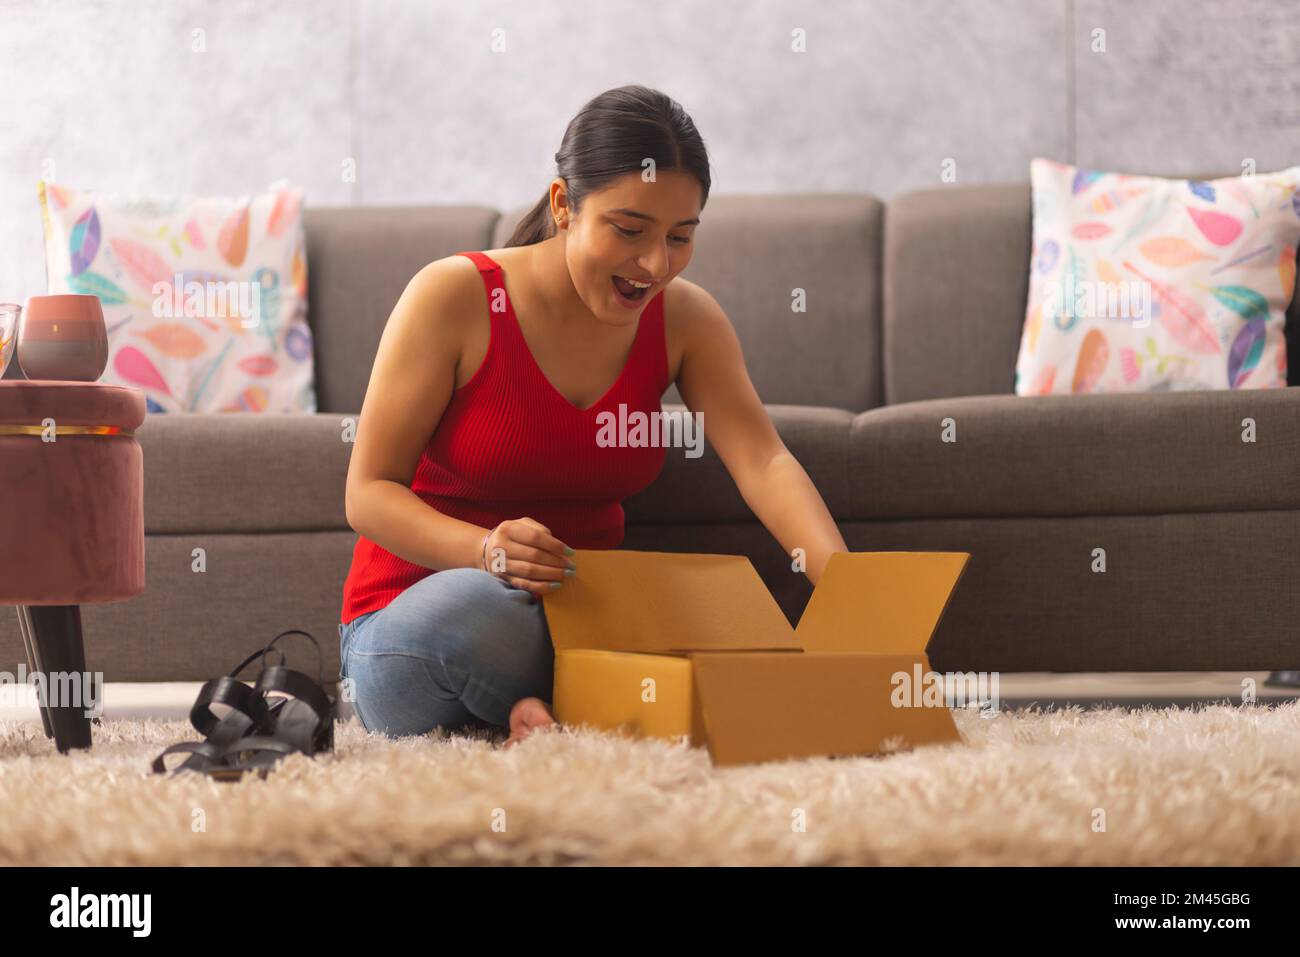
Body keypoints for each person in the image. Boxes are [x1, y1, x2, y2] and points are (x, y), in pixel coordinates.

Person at [338, 84, 848, 749]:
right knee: (482, 612)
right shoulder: (455, 296)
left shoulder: (687, 320)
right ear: (563, 206)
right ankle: (586, 704)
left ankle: (544, 712)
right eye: (630, 231)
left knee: (706, 606)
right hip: (417, 622)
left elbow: (763, 459)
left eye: (680, 237)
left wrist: (843, 586)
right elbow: (367, 492)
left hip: (586, 621)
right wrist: (486, 550)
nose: (656, 264)